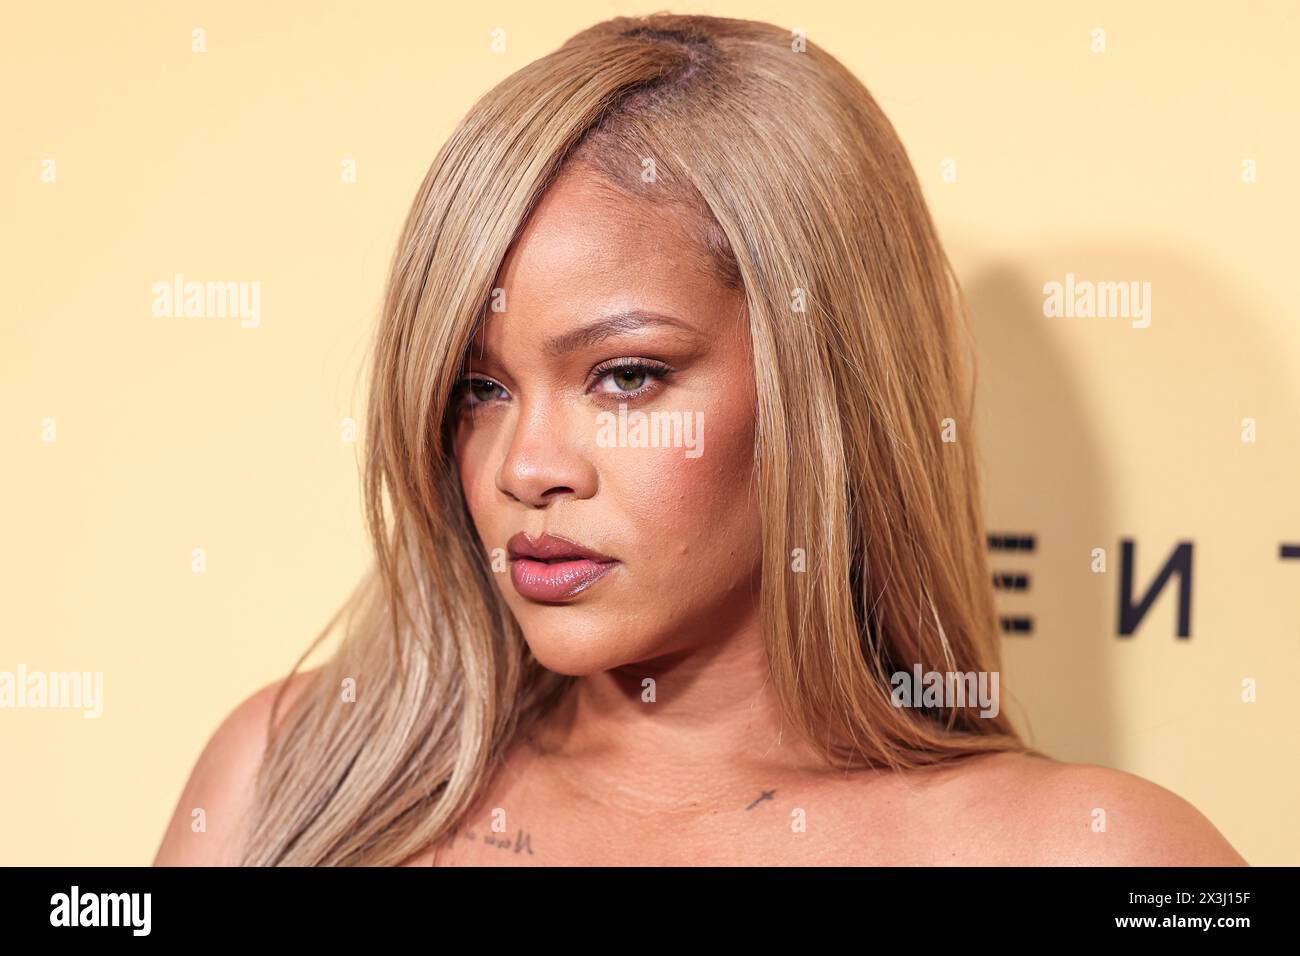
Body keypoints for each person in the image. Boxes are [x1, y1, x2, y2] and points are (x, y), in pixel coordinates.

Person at [154, 13, 1246, 867]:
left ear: (825, 389)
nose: (526, 466)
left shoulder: (1086, 852)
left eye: (625, 376)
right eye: (479, 388)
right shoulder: (291, 776)